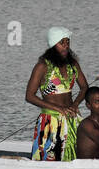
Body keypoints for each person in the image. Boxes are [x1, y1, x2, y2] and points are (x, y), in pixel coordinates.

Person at [25, 29, 88, 160]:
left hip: (71, 117)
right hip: (51, 121)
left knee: (75, 158)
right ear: (53, 44)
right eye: (61, 42)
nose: (66, 46)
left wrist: (76, 104)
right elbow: (30, 96)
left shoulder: (73, 64)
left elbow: (84, 87)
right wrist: (59, 109)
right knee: (49, 159)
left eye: (67, 42)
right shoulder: (42, 66)